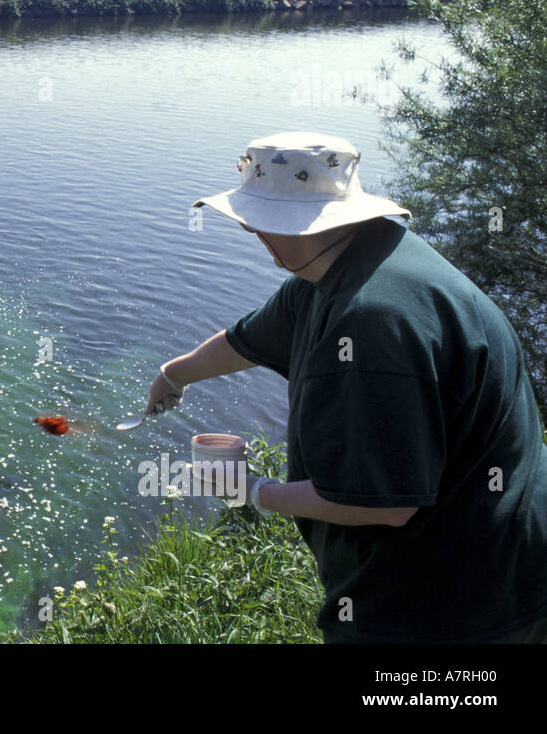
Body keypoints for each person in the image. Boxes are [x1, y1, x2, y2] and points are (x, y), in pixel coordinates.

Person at [152, 131, 547, 643]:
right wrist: (173, 375)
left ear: (273, 227)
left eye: (252, 221)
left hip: (454, 601)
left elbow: (381, 503)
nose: (249, 232)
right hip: (478, 565)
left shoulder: (370, 320)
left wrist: (251, 491)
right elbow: (245, 339)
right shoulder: (361, 257)